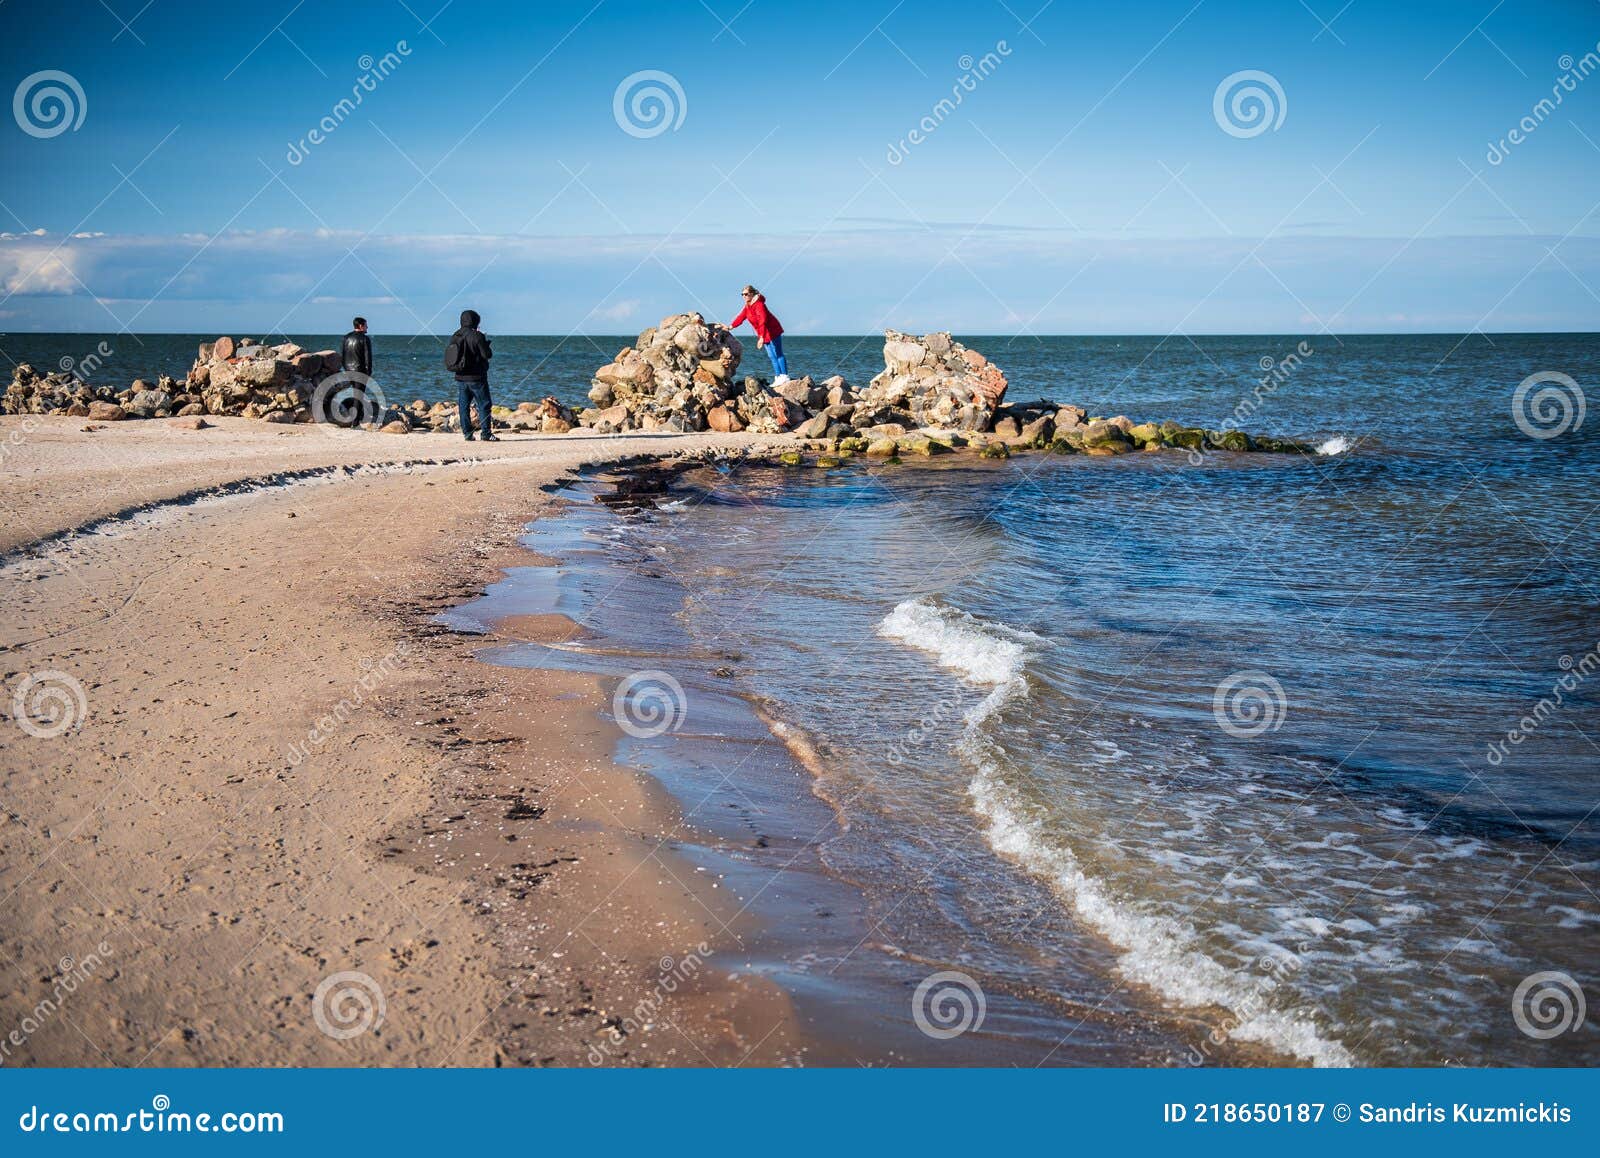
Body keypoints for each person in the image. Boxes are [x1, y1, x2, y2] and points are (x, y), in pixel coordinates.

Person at [445, 309, 497, 441]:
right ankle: (486, 433)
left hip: (460, 376)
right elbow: (487, 355)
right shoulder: (477, 336)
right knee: (484, 404)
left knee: (464, 406)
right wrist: (485, 342)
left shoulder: (455, 335)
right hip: (477, 377)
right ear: (475, 321)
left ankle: (467, 434)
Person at [727, 285, 788, 384]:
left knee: (778, 353)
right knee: (771, 356)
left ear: (752, 294)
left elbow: (762, 321)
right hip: (763, 333)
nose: (744, 296)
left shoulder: (759, 305)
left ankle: (784, 376)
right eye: (742, 294)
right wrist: (730, 327)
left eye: (746, 294)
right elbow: (741, 317)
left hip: (772, 331)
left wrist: (761, 337)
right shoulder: (747, 306)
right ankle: (778, 377)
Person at [339, 316, 376, 426]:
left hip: (348, 370)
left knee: (356, 394)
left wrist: (345, 369)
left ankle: (357, 417)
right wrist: (369, 372)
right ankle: (355, 422)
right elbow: (367, 357)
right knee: (359, 395)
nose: (367, 327)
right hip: (360, 370)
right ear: (360, 326)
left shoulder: (346, 337)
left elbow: (343, 355)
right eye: (366, 325)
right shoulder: (365, 338)